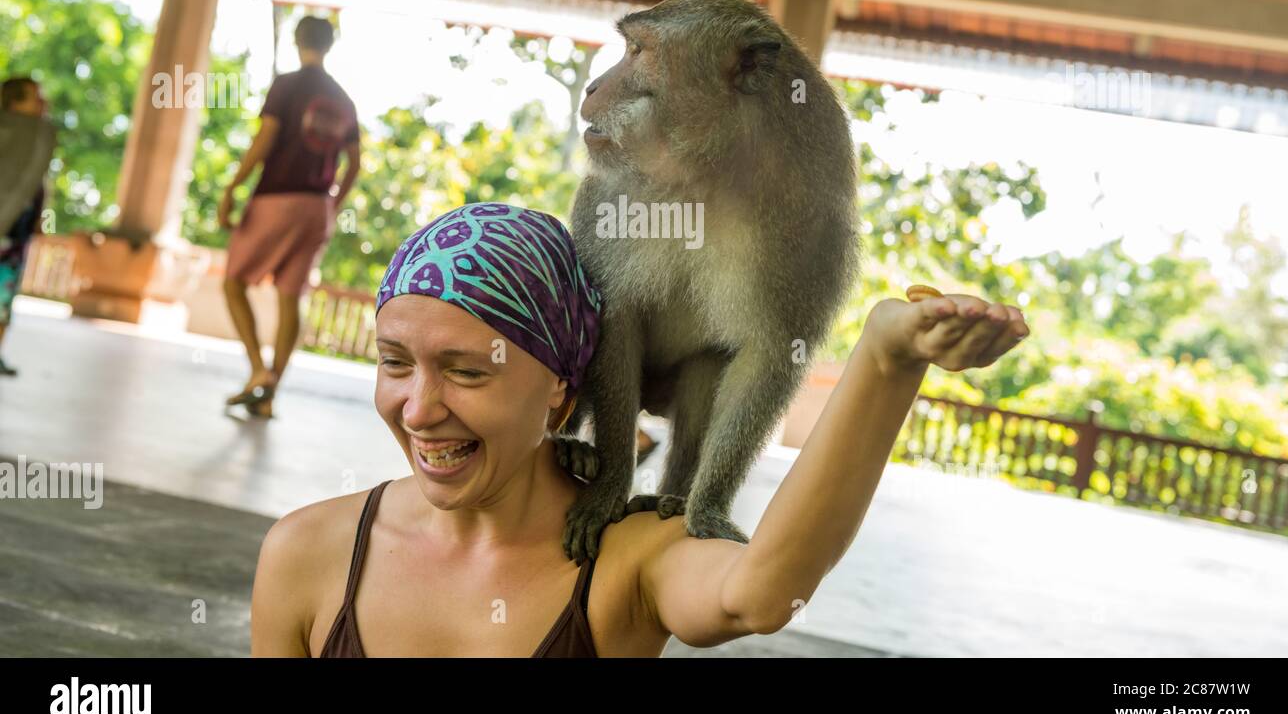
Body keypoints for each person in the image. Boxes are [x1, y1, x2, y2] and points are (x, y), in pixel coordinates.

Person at [250, 202, 1030, 657]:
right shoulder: (307, 552)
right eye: (395, 362)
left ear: (561, 387)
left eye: (467, 371)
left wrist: (885, 361)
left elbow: (763, 593)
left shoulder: (625, 562)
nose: (418, 408)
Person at [219, 16, 360, 417]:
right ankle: (270, 393)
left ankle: (259, 371)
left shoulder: (286, 85)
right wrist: (333, 203)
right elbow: (355, 163)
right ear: (330, 45)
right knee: (291, 296)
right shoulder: (343, 98)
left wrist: (232, 188)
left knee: (232, 282)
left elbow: (265, 138)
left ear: (298, 41)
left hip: (276, 199)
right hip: (317, 207)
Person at [0, 77, 53, 377]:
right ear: (13, 103)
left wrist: (39, 218)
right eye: (34, 98)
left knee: (5, 297)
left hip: (16, 233)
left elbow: (36, 187)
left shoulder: (37, 141)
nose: (42, 103)